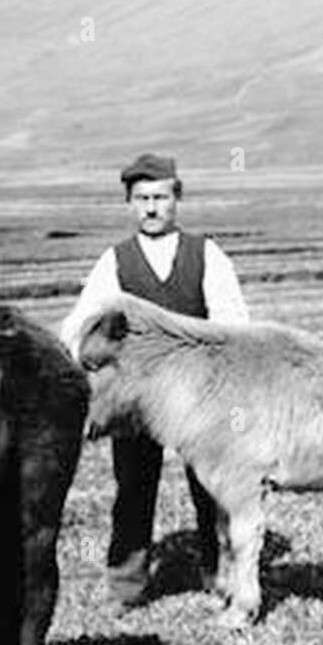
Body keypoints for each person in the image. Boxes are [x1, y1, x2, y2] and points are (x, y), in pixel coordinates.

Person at [59, 153, 250, 610]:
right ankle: (127, 587)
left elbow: (233, 322)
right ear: (130, 203)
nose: (151, 207)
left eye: (160, 197)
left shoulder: (206, 254)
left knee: (211, 486)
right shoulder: (115, 261)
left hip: (199, 396)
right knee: (133, 488)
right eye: (141, 198)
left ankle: (219, 573)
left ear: (176, 198)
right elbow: (79, 323)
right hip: (137, 400)